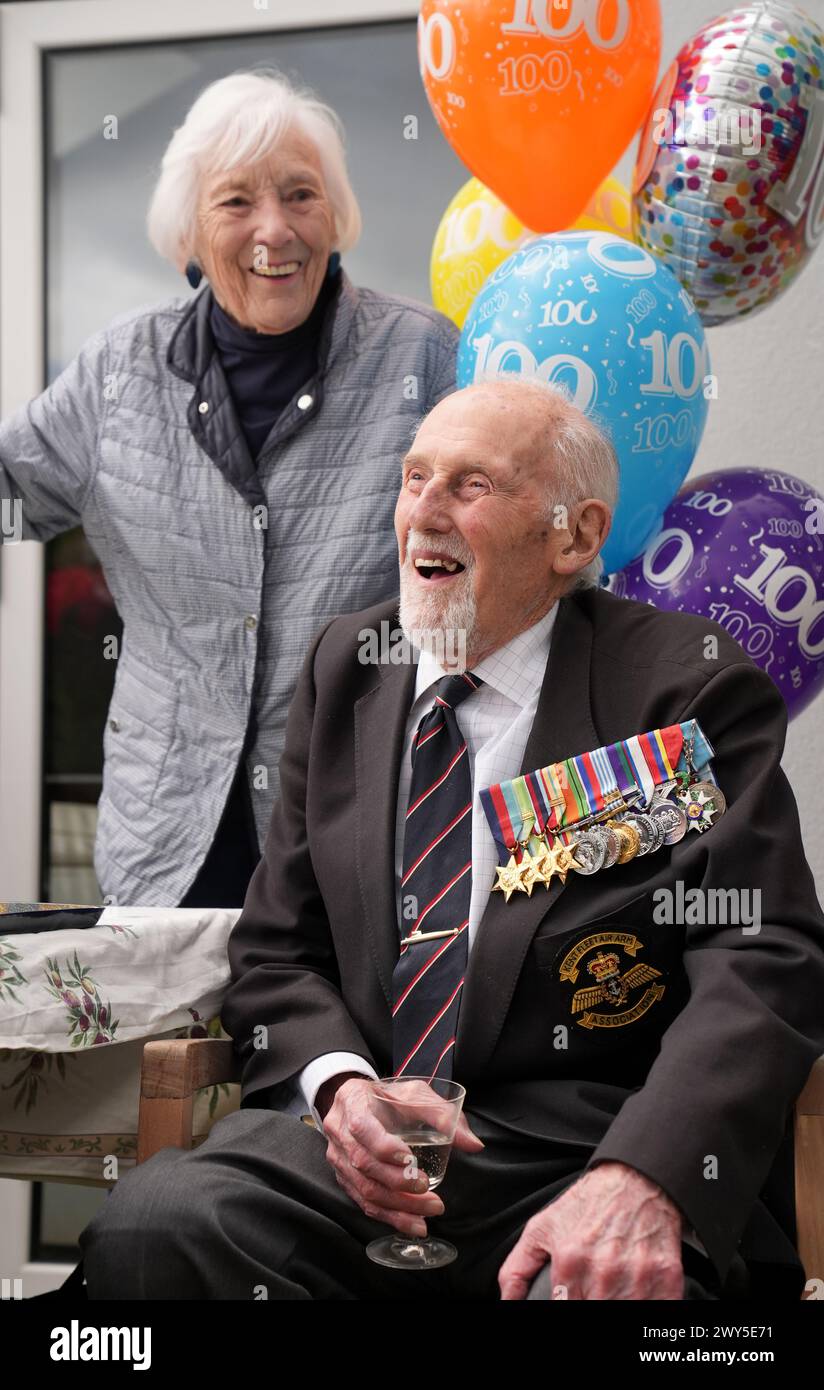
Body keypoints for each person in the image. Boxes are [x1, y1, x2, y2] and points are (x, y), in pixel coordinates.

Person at [76, 377, 824, 1300]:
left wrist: (644, 1178)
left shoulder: (677, 690)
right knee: (155, 1229)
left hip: (581, 1152)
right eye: (413, 476)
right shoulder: (347, 669)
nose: (422, 512)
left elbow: (762, 953)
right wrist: (343, 1092)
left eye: (470, 486)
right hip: (358, 1161)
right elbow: (278, 951)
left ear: (576, 536)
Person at [0, 69, 458, 908]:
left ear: (336, 214)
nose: (274, 231)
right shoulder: (120, 369)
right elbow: (11, 492)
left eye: (300, 195)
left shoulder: (421, 359)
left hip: (357, 831)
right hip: (167, 835)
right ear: (189, 230)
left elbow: (502, 558)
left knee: (332, 1041)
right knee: (177, 1043)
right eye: (236, 202)